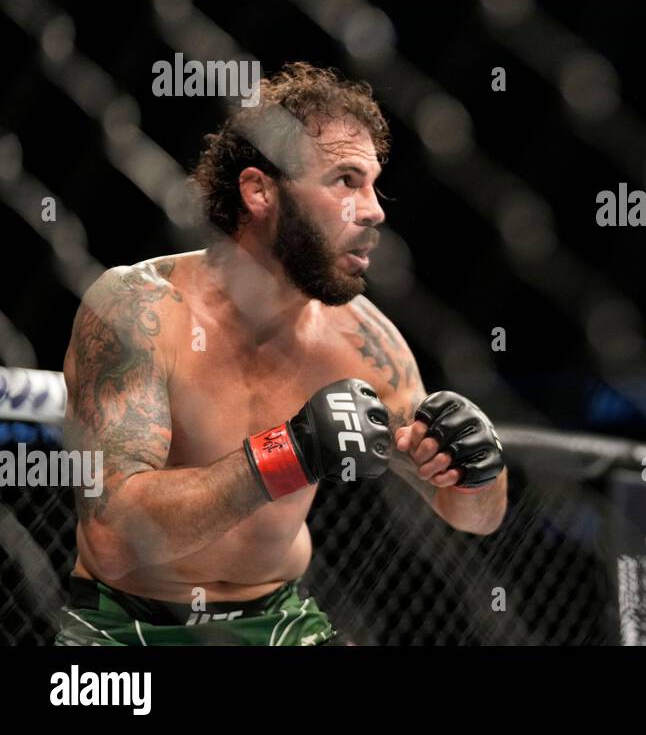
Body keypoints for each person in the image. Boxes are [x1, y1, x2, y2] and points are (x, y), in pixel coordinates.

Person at [57, 62, 507, 645]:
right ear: (259, 190)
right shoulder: (139, 310)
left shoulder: (365, 344)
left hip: (279, 624)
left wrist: (478, 469)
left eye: (373, 183)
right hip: (124, 624)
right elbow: (114, 541)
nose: (374, 210)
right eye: (346, 180)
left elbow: (473, 516)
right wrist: (285, 454)